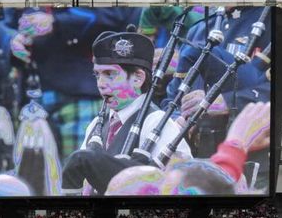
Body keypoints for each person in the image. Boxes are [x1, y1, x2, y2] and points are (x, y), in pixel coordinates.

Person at [62, 30, 192, 195]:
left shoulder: (158, 123)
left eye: (110, 74)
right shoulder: (96, 125)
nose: (100, 84)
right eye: (97, 75)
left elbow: (182, 185)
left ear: (138, 78)